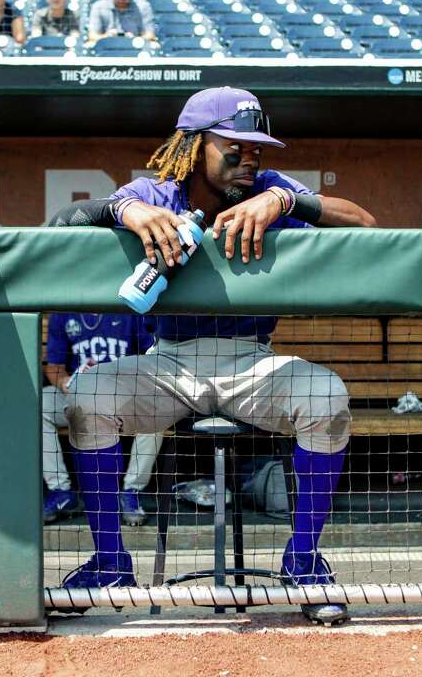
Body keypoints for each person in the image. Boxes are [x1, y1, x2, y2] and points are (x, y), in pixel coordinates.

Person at [46, 86, 376, 626]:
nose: (250, 160)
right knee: (87, 395)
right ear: (194, 145)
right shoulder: (157, 191)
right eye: (234, 148)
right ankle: (109, 560)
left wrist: (286, 201)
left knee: (327, 395)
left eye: (257, 151)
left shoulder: (270, 188)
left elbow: (363, 224)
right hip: (169, 359)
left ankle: (303, 559)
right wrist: (126, 209)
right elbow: (62, 223)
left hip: (254, 359)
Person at [42, 313, 164, 526]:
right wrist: (64, 383)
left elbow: (151, 354)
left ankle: (131, 491)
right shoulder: (63, 312)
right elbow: (54, 366)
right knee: (41, 402)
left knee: (157, 410)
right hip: (79, 398)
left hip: (122, 397)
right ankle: (61, 491)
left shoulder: (127, 308)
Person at [86, 0, 155, 46]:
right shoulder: (98, 6)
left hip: (136, 46)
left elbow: (150, 35)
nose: (121, 0)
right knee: (89, 45)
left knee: (154, 44)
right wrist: (107, 37)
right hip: (107, 46)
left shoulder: (143, 6)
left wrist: (134, 39)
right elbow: (92, 36)